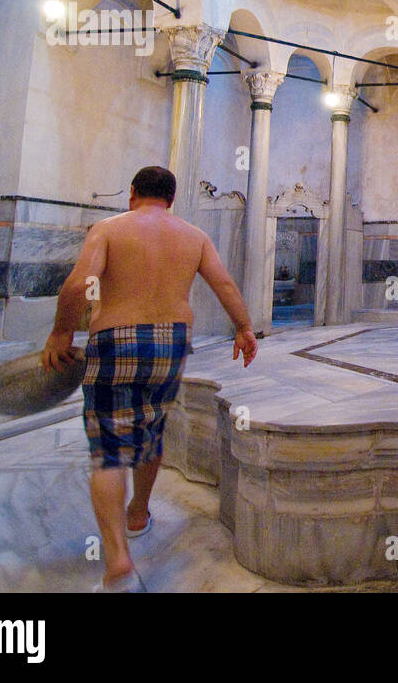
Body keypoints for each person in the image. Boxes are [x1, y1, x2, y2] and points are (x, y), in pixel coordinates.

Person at [42, 166, 257, 592]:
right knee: (150, 427)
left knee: (109, 447)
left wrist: (61, 332)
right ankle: (138, 511)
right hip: (172, 341)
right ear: (172, 199)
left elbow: (78, 285)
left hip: (116, 338)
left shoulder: (108, 229)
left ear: (133, 193)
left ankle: (119, 560)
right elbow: (225, 283)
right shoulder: (192, 235)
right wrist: (244, 328)